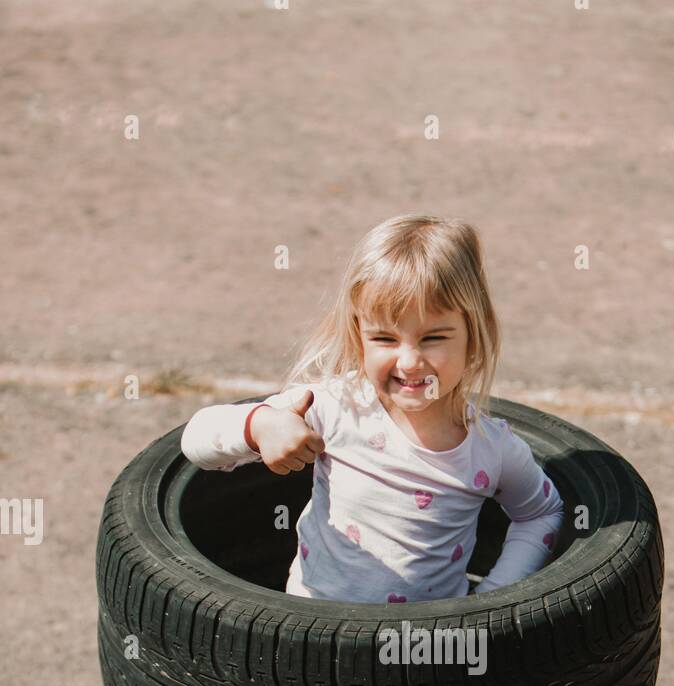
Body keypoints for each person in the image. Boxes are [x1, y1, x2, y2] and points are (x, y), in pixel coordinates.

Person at [180, 213, 564, 602]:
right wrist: (261, 426)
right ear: (358, 336)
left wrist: (492, 599)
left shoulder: (491, 448)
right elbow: (195, 441)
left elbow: (541, 513)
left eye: (433, 337)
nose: (410, 361)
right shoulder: (333, 408)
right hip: (311, 630)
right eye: (384, 338)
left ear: (474, 336)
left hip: (429, 646)